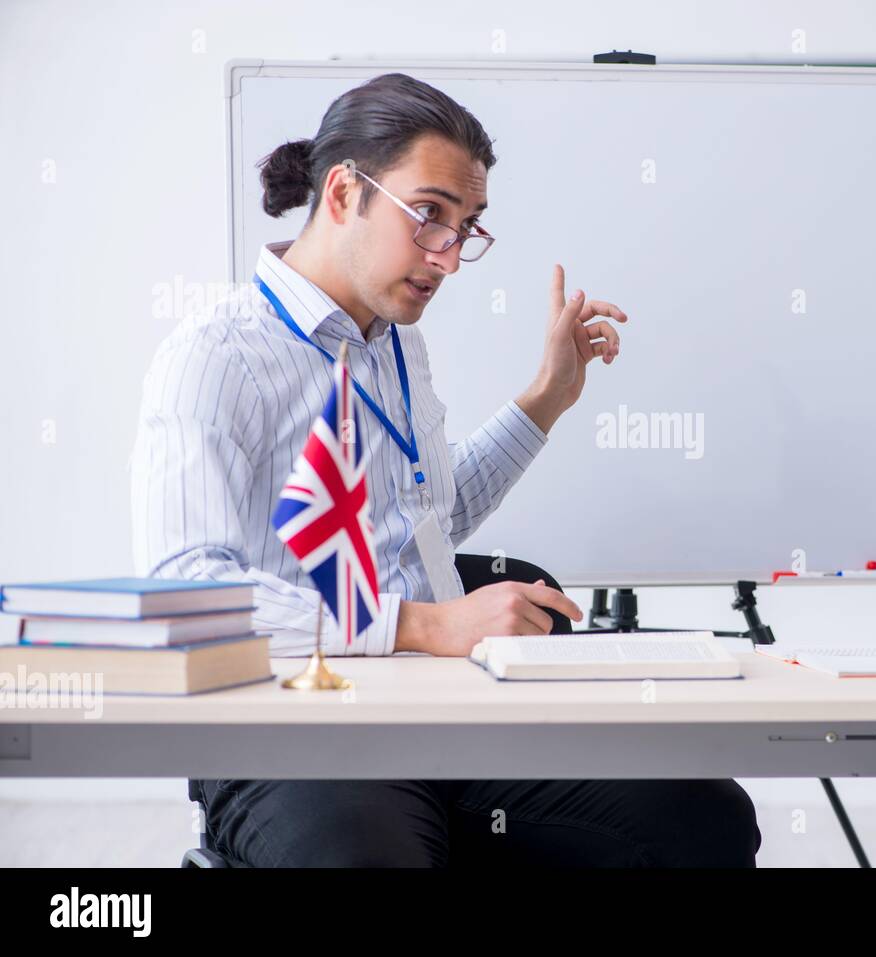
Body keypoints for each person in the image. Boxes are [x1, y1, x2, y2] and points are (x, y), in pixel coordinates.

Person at [131, 72, 760, 867]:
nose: (450, 257)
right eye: (429, 216)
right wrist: (427, 626)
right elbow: (186, 594)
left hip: (442, 711)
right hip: (294, 727)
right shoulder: (216, 355)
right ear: (341, 193)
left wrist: (545, 401)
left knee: (703, 817)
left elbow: (428, 518)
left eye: (467, 228)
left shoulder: (397, 340)